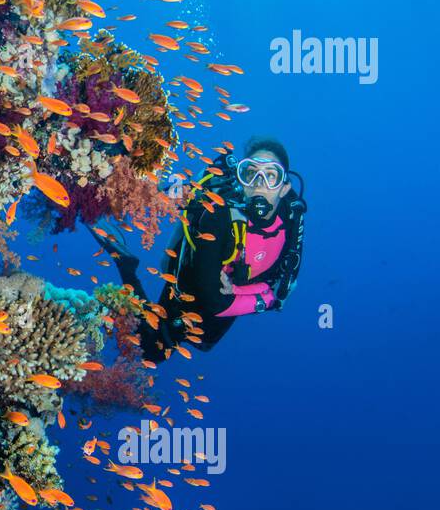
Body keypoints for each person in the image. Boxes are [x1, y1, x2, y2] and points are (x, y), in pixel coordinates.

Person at [92, 137, 306, 363]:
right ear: (241, 180)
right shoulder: (220, 216)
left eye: (271, 175)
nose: (259, 183)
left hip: (235, 291)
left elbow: (283, 284)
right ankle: (126, 264)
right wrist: (265, 300)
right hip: (192, 283)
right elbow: (218, 301)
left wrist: (238, 291)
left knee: (206, 342)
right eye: (250, 173)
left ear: (284, 188)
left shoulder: (293, 216)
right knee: (153, 352)